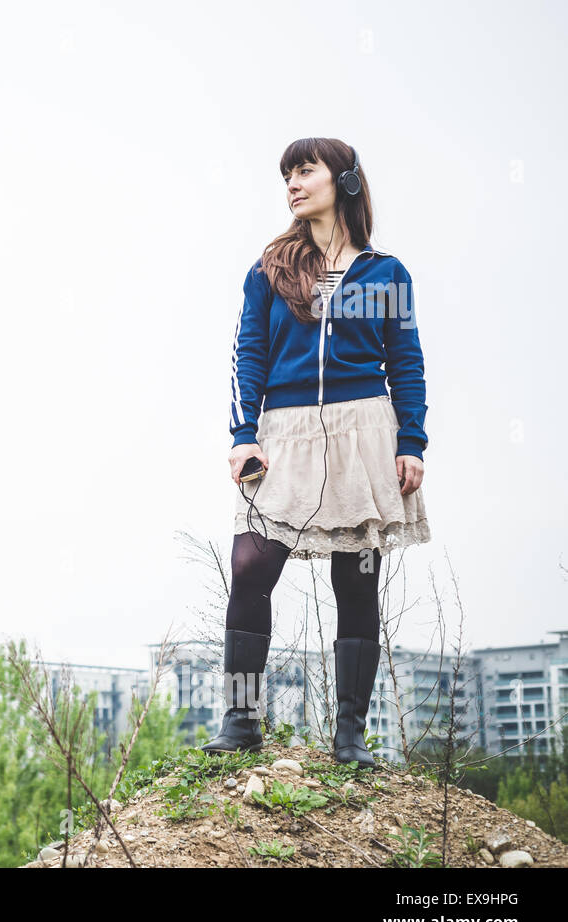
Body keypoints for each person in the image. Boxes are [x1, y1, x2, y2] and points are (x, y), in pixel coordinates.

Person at [202, 138, 431, 769]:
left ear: (344, 179)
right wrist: (243, 433)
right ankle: (241, 720)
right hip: (286, 432)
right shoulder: (270, 270)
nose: (293, 183)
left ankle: (350, 736)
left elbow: (405, 365)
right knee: (251, 566)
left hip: (365, 433)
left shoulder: (386, 275)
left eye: (306, 170)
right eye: (287, 174)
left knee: (355, 580)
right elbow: (248, 354)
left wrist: (411, 442)